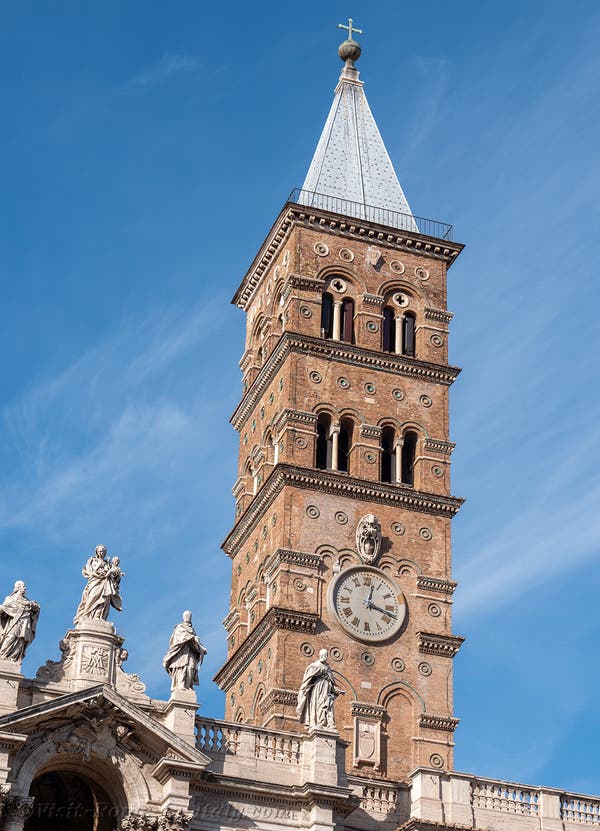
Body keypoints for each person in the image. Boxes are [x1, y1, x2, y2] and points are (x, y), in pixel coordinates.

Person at [74, 545, 123, 624]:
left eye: (103, 551)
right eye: (100, 551)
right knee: (93, 596)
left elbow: (114, 576)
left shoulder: (108, 563)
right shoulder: (92, 560)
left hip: (105, 582)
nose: (101, 553)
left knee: (104, 599)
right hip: (95, 581)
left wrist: (115, 574)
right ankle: (86, 615)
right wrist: (97, 573)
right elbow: (89, 571)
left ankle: (98, 617)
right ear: (97, 552)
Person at [296, 648, 344, 729]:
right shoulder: (314, 665)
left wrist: (338, 690)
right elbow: (309, 676)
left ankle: (324, 722)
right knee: (318, 703)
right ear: (320, 655)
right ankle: (317, 722)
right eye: (323, 655)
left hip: (326, 688)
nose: (324, 656)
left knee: (326, 704)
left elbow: (332, 682)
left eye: (325, 655)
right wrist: (319, 671)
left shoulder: (328, 667)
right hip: (317, 687)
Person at [162, 611, 207, 691]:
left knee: (191, 667)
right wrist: (193, 638)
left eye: (189, 616)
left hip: (190, 653)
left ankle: (189, 686)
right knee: (182, 668)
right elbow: (181, 637)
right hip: (181, 653)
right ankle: (181, 685)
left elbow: (194, 643)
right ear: (183, 617)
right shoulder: (180, 627)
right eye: (186, 615)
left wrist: (201, 648)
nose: (187, 617)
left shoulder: (192, 630)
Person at [0, 580, 40, 661]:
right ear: (18, 587)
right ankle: (2, 655)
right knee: (11, 637)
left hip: (25, 622)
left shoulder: (27, 601)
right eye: (23, 586)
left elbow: (36, 609)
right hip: (14, 622)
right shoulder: (10, 599)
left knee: (21, 640)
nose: (25, 588)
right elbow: (4, 608)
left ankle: (12, 658)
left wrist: (34, 606)